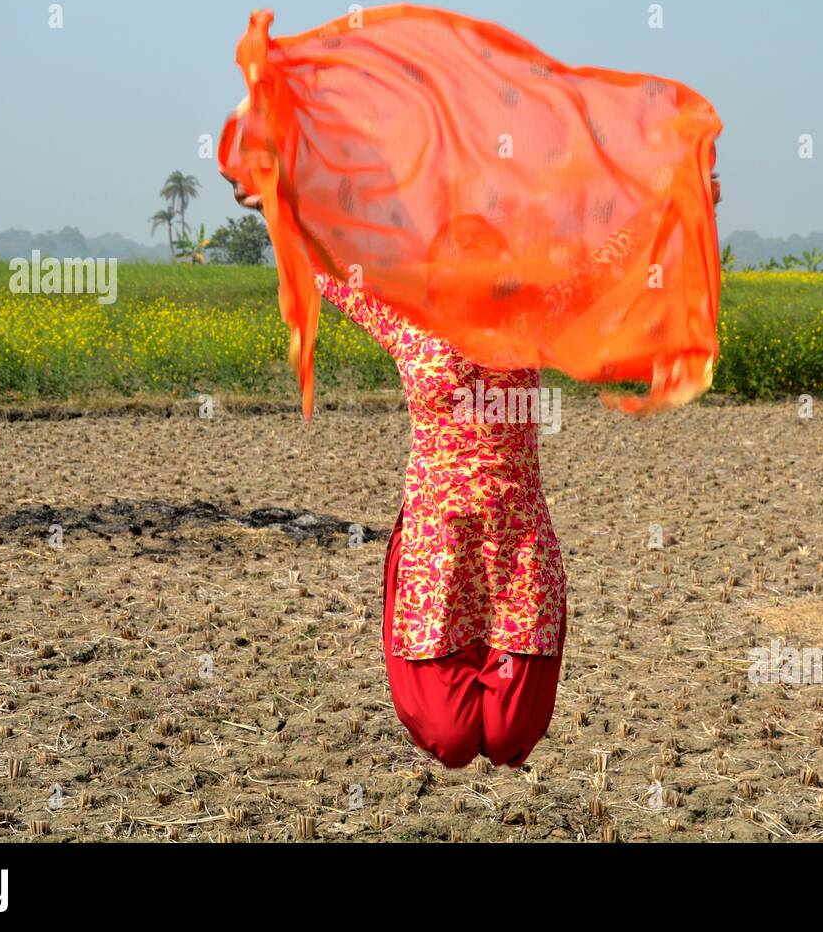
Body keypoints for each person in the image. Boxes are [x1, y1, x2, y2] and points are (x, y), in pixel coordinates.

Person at [226, 171, 720, 768]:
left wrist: (674, 206)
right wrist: (275, 207)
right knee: (452, 738)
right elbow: (331, 267)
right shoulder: (407, 324)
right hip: (440, 547)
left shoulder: (534, 321)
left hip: (517, 545)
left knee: (511, 736)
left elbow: (608, 266)